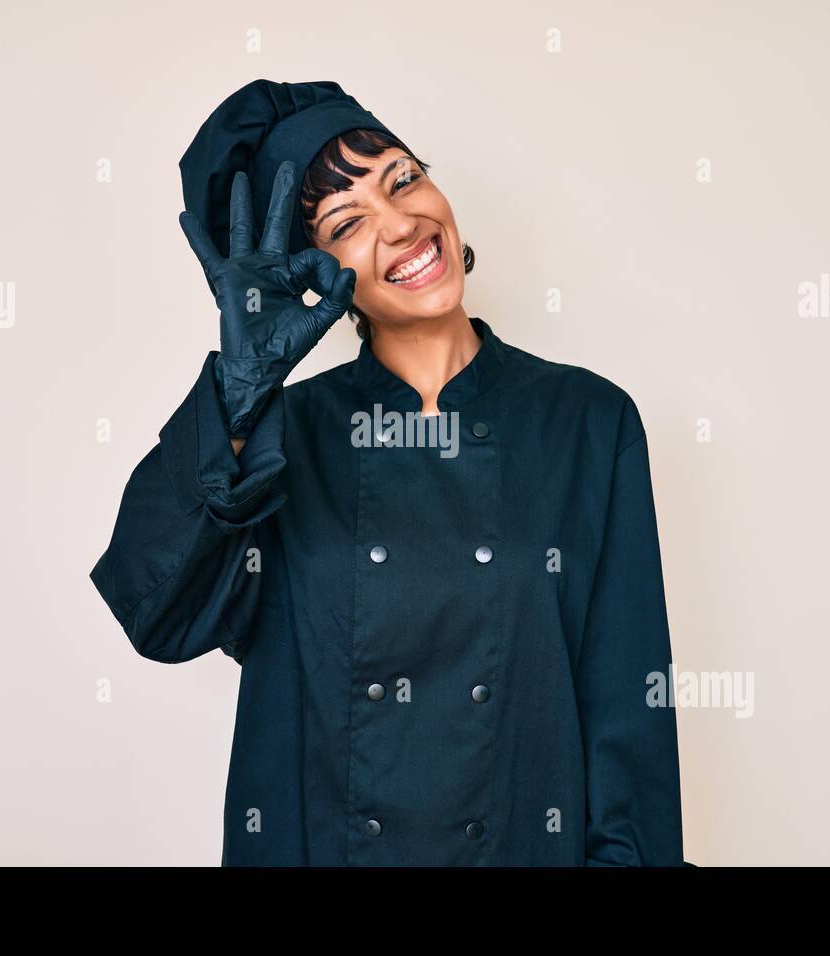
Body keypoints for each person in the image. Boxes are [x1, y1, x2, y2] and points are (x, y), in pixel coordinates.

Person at [89, 79, 687, 866]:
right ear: (311, 272)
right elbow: (156, 613)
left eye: (404, 179)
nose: (403, 223)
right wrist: (237, 397)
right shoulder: (280, 437)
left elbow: (628, 710)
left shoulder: (586, 421)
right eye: (347, 223)